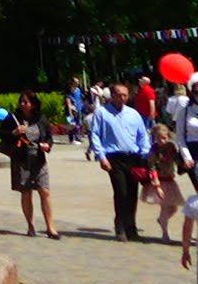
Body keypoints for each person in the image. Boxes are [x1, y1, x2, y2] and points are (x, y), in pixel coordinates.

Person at [90, 82, 152, 242]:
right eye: (119, 94)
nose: (122, 98)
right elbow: (95, 134)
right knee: (121, 192)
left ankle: (131, 227)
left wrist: (145, 155)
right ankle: (120, 225)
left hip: (133, 157)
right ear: (112, 95)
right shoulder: (102, 113)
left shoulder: (133, 114)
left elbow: (142, 135)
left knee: (132, 193)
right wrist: (101, 156)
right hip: (113, 157)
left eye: (125, 95)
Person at [0, 90, 58, 239]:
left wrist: (47, 145)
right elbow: (1, 134)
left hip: (39, 159)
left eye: (26, 102)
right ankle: (30, 226)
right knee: (26, 192)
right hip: (21, 160)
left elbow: (49, 137)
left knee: (45, 191)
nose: (23, 104)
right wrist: (14, 132)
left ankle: (50, 227)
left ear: (33, 103)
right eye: (21, 102)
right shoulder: (13, 117)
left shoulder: (40, 118)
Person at [144, 123, 185, 243]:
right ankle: (165, 234)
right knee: (165, 207)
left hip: (170, 180)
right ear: (155, 138)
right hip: (160, 182)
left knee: (173, 208)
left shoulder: (171, 147)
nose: (163, 140)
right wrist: (157, 186)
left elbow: (178, 161)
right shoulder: (153, 151)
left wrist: (182, 163)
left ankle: (162, 220)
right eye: (159, 138)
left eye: (165, 137)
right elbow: (152, 169)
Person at [65, 78, 85, 145]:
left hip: (78, 109)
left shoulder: (78, 90)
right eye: (76, 81)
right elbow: (68, 101)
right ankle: (72, 139)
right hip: (73, 109)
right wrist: (70, 111)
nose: (78, 83)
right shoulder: (70, 90)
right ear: (73, 82)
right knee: (72, 124)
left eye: (78, 81)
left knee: (78, 124)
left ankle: (77, 137)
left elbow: (80, 98)